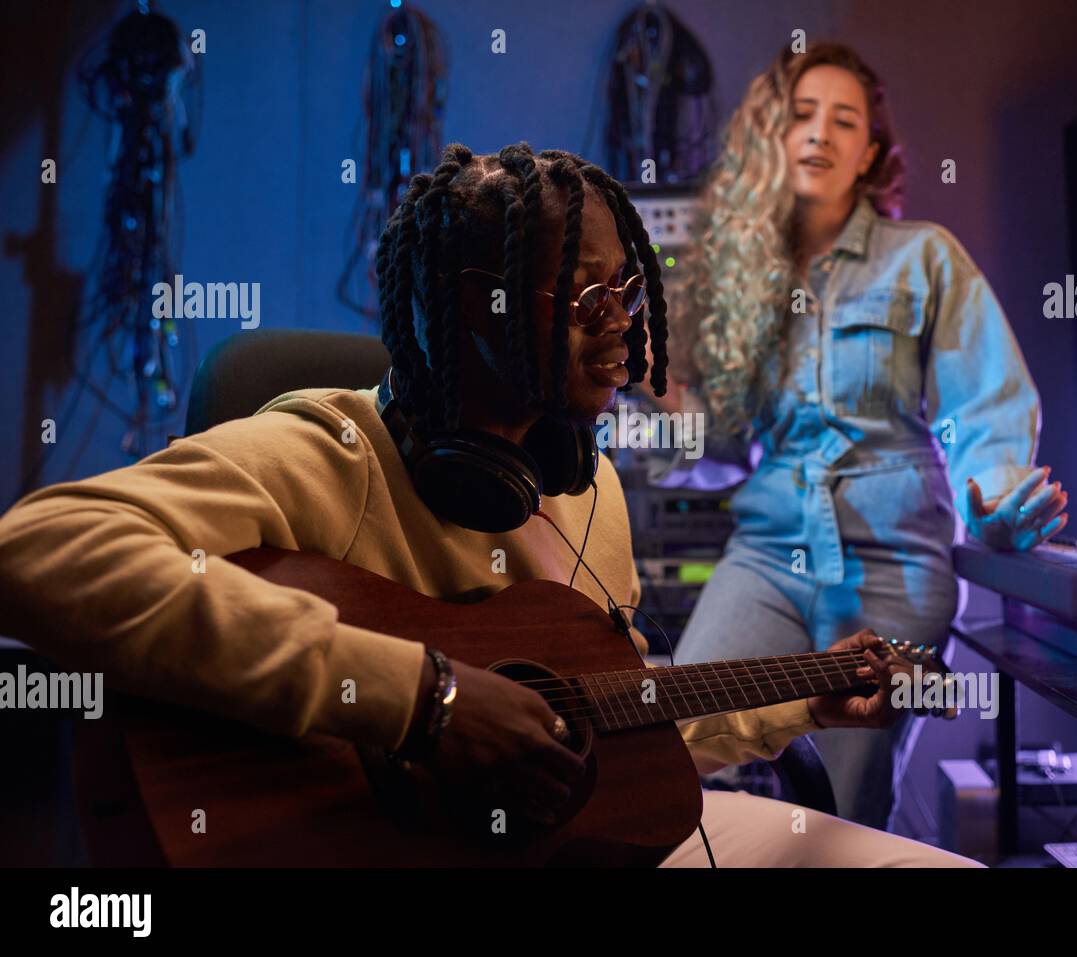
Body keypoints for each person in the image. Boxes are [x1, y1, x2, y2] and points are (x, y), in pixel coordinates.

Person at [0, 142, 976, 867]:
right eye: (588, 299)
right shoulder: (321, 453)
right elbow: (35, 549)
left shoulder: (582, 488)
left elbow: (603, 736)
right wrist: (422, 701)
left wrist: (799, 704)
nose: (625, 334)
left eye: (628, 295)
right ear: (483, 307)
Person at [636, 43, 1069, 832]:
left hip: (893, 565)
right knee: (666, 751)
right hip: (767, 552)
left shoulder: (925, 257)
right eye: (803, 115)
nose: (820, 134)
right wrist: (665, 394)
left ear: (870, 152)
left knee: (845, 815)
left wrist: (997, 502)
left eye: (845, 121)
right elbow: (721, 453)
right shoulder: (741, 278)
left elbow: (986, 407)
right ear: (775, 134)